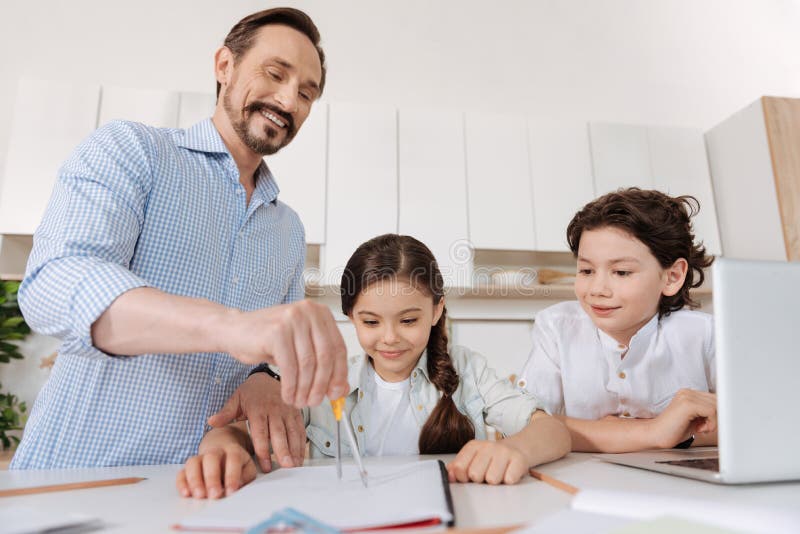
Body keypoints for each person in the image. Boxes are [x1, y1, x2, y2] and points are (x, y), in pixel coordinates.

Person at [11, 7, 348, 470]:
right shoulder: (132, 151)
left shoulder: (289, 231)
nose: (289, 101)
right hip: (76, 484)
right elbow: (55, 284)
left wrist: (263, 378)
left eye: (306, 94)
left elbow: (265, 357)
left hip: (203, 502)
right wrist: (231, 328)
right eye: (275, 73)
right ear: (224, 66)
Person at [176, 234, 571, 498]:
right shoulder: (325, 381)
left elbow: (552, 432)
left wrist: (516, 451)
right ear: (350, 316)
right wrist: (222, 452)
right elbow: (233, 433)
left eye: (409, 320)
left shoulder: (468, 371)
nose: (390, 338)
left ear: (437, 310)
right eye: (371, 322)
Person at [516, 188, 717, 453]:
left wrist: (583, 430)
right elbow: (527, 424)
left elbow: (757, 420)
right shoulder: (557, 327)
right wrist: (656, 431)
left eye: (621, 272)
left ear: (672, 277)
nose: (598, 289)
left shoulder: (705, 334)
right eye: (586, 270)